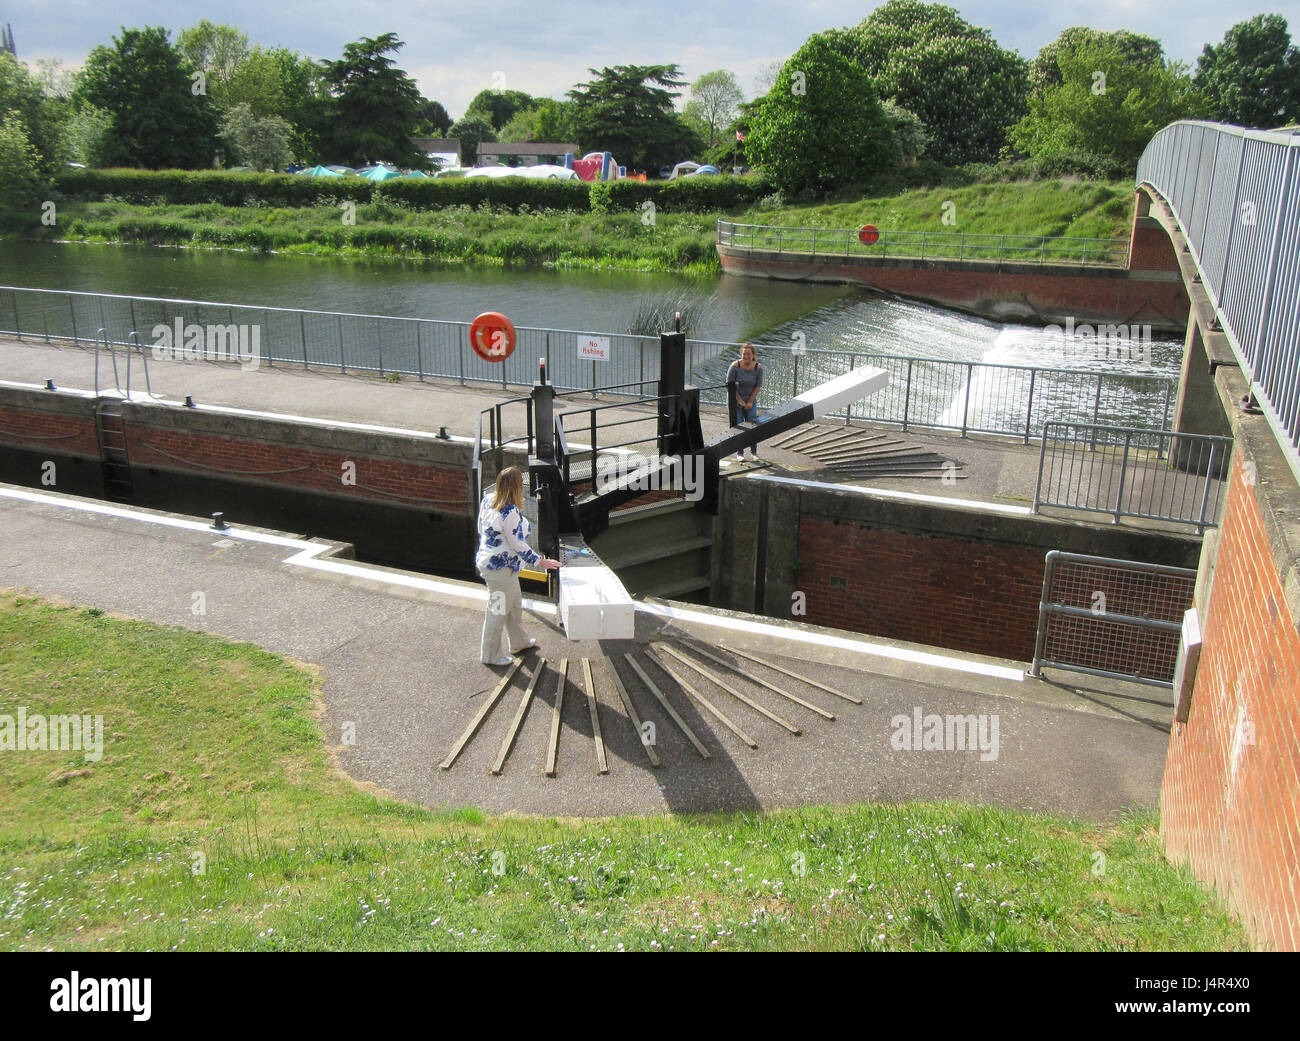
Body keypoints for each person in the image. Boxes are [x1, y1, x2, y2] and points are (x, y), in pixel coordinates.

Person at [475, 467, 561, 666]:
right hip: (500, 570)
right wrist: (541, 561)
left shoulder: (487, 499)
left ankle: (518, 642)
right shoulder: (510, 511)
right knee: (497, 610)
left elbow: (482, 529)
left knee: (514, 603)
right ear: (516, 486)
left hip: (495, 564)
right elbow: (518, 544)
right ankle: (490, 655)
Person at [726, 342, 763, 460]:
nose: (746, 356)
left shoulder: (758, 368)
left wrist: (750, 401)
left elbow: (758, 386)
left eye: (748, 354)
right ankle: (740, 453)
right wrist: (740, 400)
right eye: (744, 354)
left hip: (750, 400)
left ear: (753, 355)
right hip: (736, 401)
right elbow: (730, 385)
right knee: (739, 425)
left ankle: (754, 452)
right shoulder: (735, 366)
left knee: (752, 425)